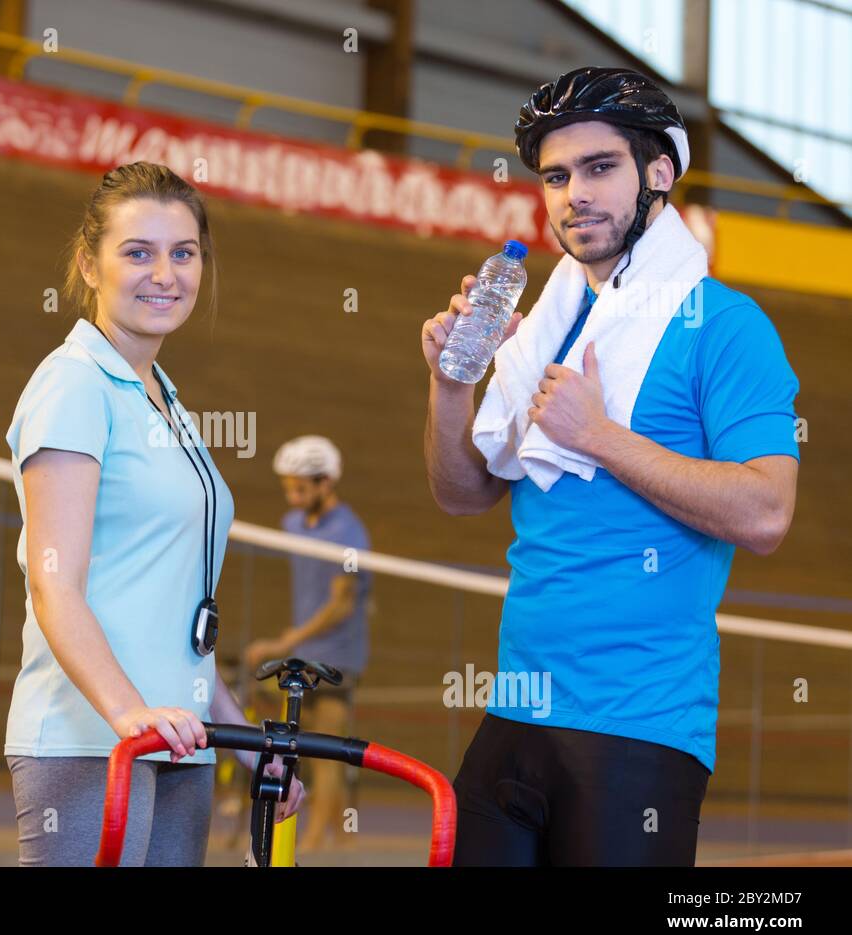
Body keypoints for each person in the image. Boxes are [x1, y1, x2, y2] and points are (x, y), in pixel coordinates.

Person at [421, 67, 800, 866]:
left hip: (638, 731)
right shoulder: (542, 329)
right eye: (556, 177)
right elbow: (461, 493)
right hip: (515, 713)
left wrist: (598, 436)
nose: (572, 196)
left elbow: (767, 512)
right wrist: (451, 384)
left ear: (659, 173)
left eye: (600, 168)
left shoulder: (727, 325)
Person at [3, 161, 304, 866]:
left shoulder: (163, 398)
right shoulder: (72, 384)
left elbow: (177, 624)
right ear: (89, 264)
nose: (164, 273)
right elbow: (55, 584)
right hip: (93, 740)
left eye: (183, 253)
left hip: (183, 742)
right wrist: (126, 713)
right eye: (138, 252)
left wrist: (246, 738)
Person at [245, 435, 371, 852]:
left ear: (326, 483)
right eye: (288, 486)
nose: (292, 495)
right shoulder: (293, 525)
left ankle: (317, 838)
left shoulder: (349, 532)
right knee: (305, 748)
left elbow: (340, 605)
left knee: (328, 748)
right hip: (305, 651)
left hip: (337, 657)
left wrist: (285, 641)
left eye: (301, 487)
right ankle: (337, 835)